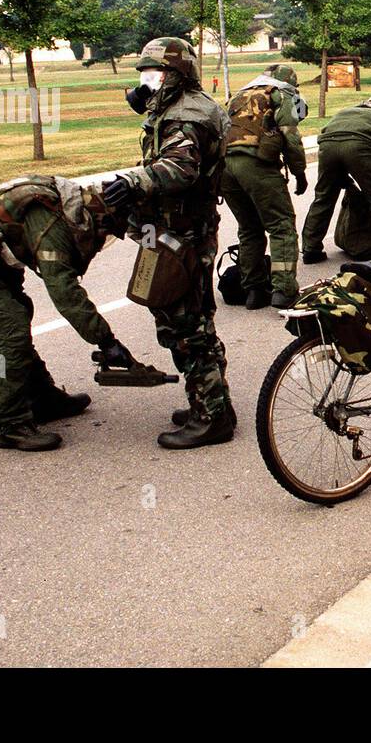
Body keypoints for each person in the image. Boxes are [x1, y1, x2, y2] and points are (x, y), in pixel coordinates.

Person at [0, 176, 130, 452]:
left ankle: (42, 399)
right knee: (6, 332)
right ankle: (7, 421)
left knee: (17, 316)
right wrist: (107, 341)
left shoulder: (67, 204)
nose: (102, 240)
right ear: (97, 216)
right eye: (105, 232)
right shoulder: (53, 224)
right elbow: (65, 293)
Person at [102, 37, 234, 450]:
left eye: (154, 74)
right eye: (142, 74)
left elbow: (179, 169)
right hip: (176, 229)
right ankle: (212, 402)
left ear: (178, 75)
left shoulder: (186, 117)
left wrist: (133, 180)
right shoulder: (178, 107)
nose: (146, 82)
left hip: (183, 234)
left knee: (185, 326)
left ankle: (210, 417)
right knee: (193, 319)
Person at [221, 64, 308, 310]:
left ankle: (254, 291)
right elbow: (290, 136)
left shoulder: (237, 96)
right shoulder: (281, 94)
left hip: (225, 167)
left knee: (249, 229)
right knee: (281, 227)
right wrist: (300, 172)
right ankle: (283, 290)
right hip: (256, 165)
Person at [300, 96, 371, 263]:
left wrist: (344, 180)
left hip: (327, 147)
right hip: (360, 145)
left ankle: (310, 249)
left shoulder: (344, 112)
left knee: (323, 198)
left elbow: (335, 143)